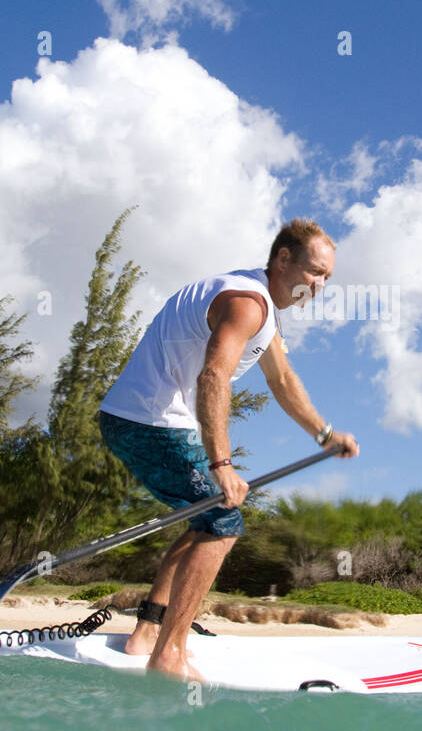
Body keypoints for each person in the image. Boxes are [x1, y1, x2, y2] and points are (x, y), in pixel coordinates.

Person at [98, 218, 359, 680]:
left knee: (204, 519)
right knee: (223, 521)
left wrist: (324, 435)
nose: (319, 285)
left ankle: (145, 634)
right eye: (314, 272)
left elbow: (281, 380)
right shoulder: (246, 303)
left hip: (148, 419)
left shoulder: (261, 305)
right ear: (282, 259)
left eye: (327, 278)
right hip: (146, 421)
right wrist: (222, 464)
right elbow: (213, 377)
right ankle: (169, 654)